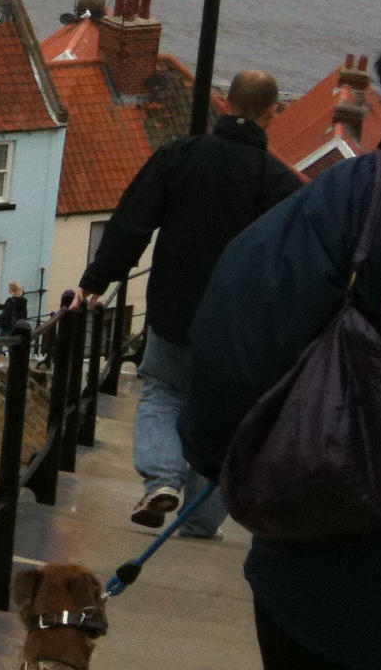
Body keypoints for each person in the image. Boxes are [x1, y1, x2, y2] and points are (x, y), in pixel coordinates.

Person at [183, 4, 381, 670]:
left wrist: (226, 472)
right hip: (327, 564)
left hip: (327, 552)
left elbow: (233, 356)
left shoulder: (355, 200)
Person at [80, 69, 301, 533]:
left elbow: (133, 220)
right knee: (225, 416)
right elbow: (294, 262)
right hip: (238, 327)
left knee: (163, 392)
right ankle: (200, 522)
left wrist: (97, 279)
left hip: (174, 309)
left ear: (225, 104)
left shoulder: (180, 156)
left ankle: (161, 480)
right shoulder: (278, 182)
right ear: (270, 113)